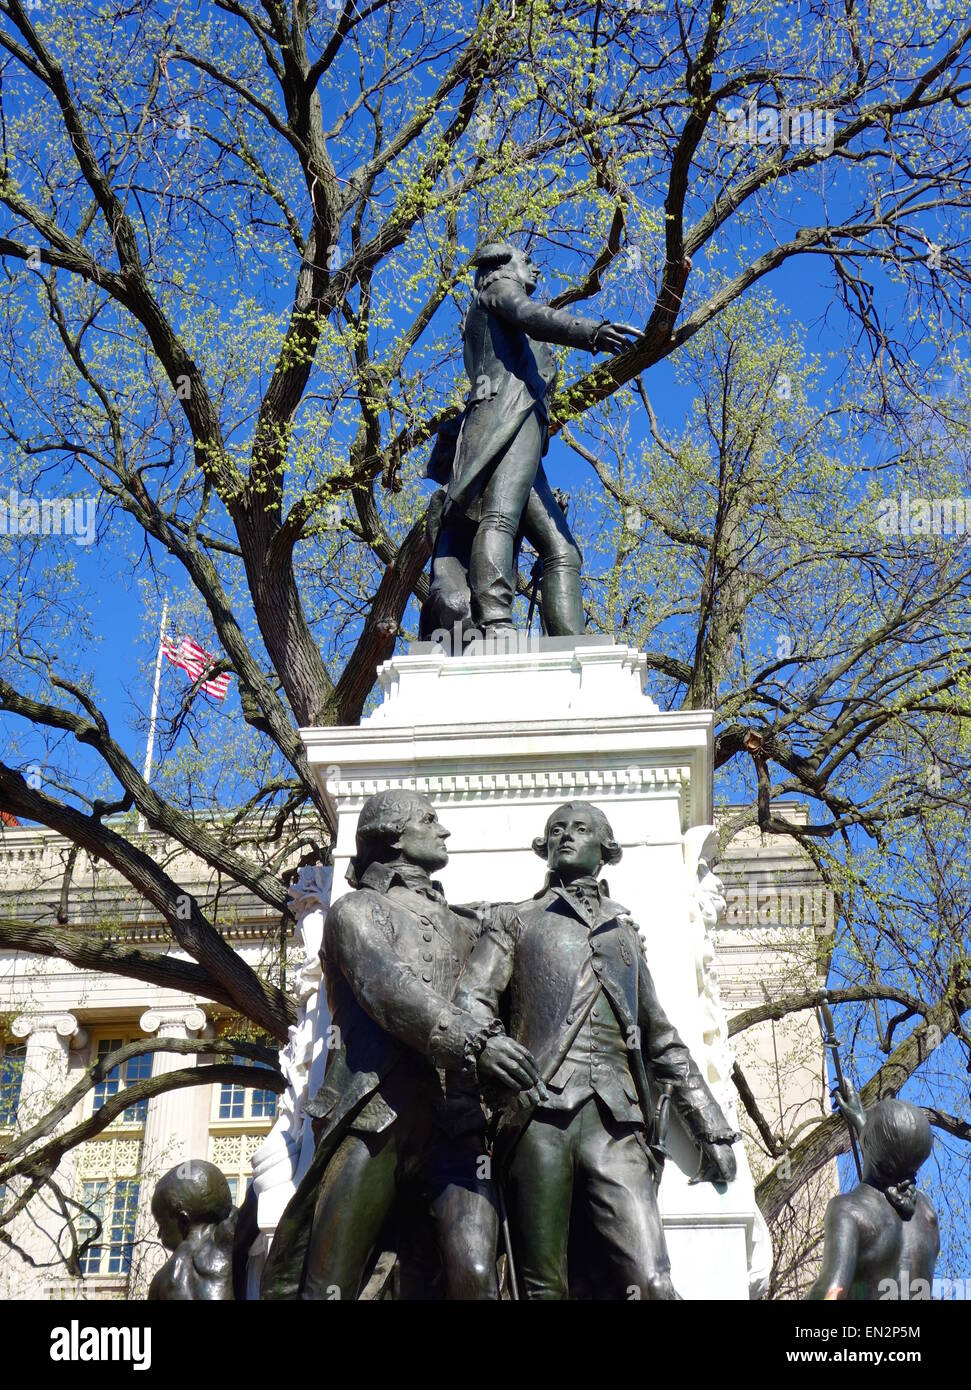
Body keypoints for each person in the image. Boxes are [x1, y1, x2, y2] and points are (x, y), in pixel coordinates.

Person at [455, 800, 739, 1299]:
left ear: (605, 847)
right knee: (543, 1287)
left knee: (651, 1280)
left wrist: (709, 1126)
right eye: (556, 829)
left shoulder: (624, 934)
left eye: (580, 828)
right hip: (538, 1117)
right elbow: (471, 1001)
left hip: (617, 1121)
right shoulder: (514, 920)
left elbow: (660, 1037)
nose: (566, 835)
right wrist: (489, 1046)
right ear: (544, 848)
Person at [261, 789, 538, 1300]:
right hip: (375, 1118)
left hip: (457, 1127)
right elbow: (390, 987)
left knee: (477, 1278)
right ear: (395, 836)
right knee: (330, 1284)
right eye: (430, 820)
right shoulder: (356, 912)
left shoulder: (465, 924)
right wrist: (478, 1043)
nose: (444, 830)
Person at [421, 243, 639, 640]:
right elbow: (531, 315)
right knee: (501, 517)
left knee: (562, 551)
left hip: (523, 423)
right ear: (503, 266)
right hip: (506, 419)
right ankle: (496, 620)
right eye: (526, 259)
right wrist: (592, 332)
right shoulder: (499, 289)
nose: (534, 266)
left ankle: (573, 643)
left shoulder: (499, 310)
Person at [807, 1084, 939, 1300]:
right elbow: (888, 1165)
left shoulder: (848, 1211)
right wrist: (861, 1121)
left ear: (868, 1144)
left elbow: (830, 1294)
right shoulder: (927, 1213)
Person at [148, 1160, 241, 1300]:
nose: (159, 1234)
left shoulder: (160, 1281)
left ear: (183, 1221)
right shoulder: (225, 1239)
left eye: (162, 1225)